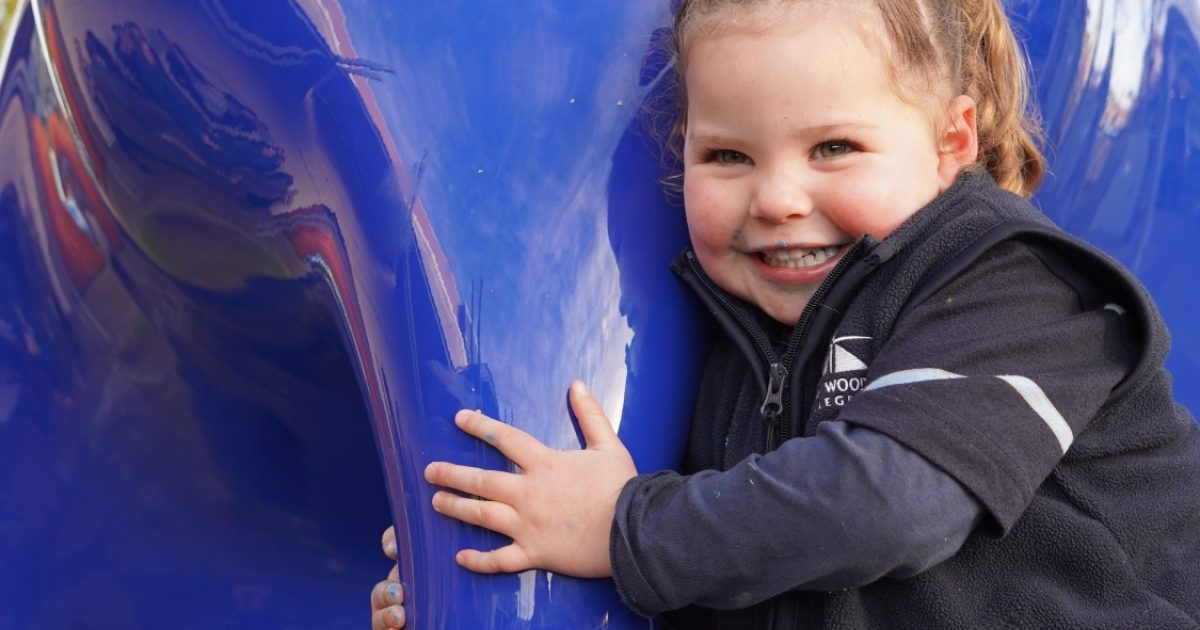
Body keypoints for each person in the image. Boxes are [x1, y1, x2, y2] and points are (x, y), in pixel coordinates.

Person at [373, 0, 1200, 627]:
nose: (776, 198)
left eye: (834, 148)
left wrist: (623, 527)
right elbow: (740, 569)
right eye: (727, 155)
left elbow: (888, 508)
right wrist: (482, 561)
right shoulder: (733, 347)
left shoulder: (1011, 284)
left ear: (952, 144)